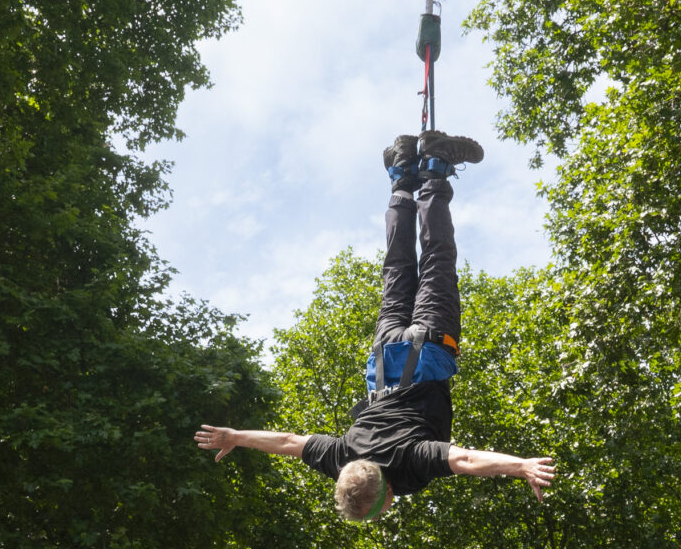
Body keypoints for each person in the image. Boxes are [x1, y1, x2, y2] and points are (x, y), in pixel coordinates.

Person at [195, 132, 556, 521]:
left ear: (385, 493)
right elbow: (287, 441)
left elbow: (465, 459)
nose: (381, 514)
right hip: (384, 351)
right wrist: (234, 437)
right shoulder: (341, 457)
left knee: (437, 257)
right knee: (397, 268)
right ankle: (401, 175)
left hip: (431, 346)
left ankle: (436, 165)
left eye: (375, 513)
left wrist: (521, 466)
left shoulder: (407, 465)